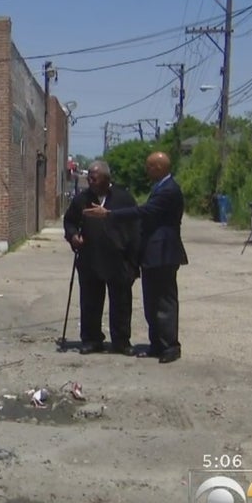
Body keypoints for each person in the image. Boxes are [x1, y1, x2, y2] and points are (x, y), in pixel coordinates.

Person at [83, 151, 188, 363]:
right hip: (152, 254)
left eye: (149, 166)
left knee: (164, 302)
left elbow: (146, 212)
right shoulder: (159, 187)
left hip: (164, 253)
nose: (146, 170)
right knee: (151, 302)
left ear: (159, 168)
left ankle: (170, 346)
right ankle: (157, 344)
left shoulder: (169, 190)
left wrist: (109, 214)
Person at [62, 161, 140, 355]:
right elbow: (69, 221)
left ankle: (121, 341)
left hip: (118, 260)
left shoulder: (124, 199)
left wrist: (134, 262)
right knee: (90, 302)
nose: (90, 181)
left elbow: (136, 229)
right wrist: (73, 236)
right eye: (89, 177)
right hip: (90, 258)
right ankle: (91, 339)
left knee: (121, 303)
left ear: (106, 179)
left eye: (94, 178)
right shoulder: (82, 199)